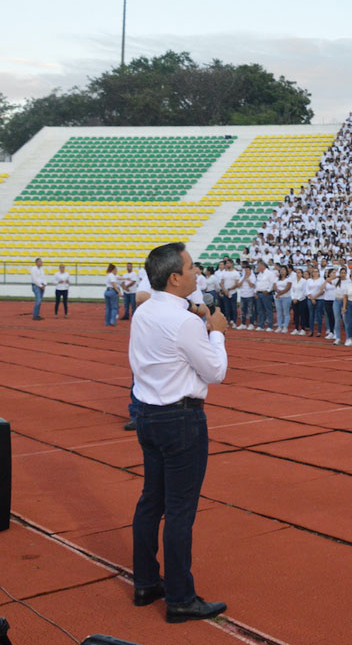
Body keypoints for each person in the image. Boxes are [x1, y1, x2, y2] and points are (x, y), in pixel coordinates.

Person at [129, 242, 228, 623]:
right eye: (190, 268)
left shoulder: (143, 311)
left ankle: (145, 583)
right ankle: (180, 598)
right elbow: (215, 371)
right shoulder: (184, 322)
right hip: (181, 419)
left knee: (150, 502)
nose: (196, 273)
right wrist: (217, 333)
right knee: (180, 512)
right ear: (174, 278)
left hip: (148, 414)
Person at [274, 266, 293, 333]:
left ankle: (285, 326)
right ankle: (279, 326)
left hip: (286, 297)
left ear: (286, 271)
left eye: (284, 270)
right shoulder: (277, 279)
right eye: (281, 270)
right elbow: (274, 287)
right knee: (279, 313)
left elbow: (287, 288)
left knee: (286, 312)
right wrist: (278, 292)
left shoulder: (289, 279)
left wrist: (279, 293)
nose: (282, 271)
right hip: (278, 298)